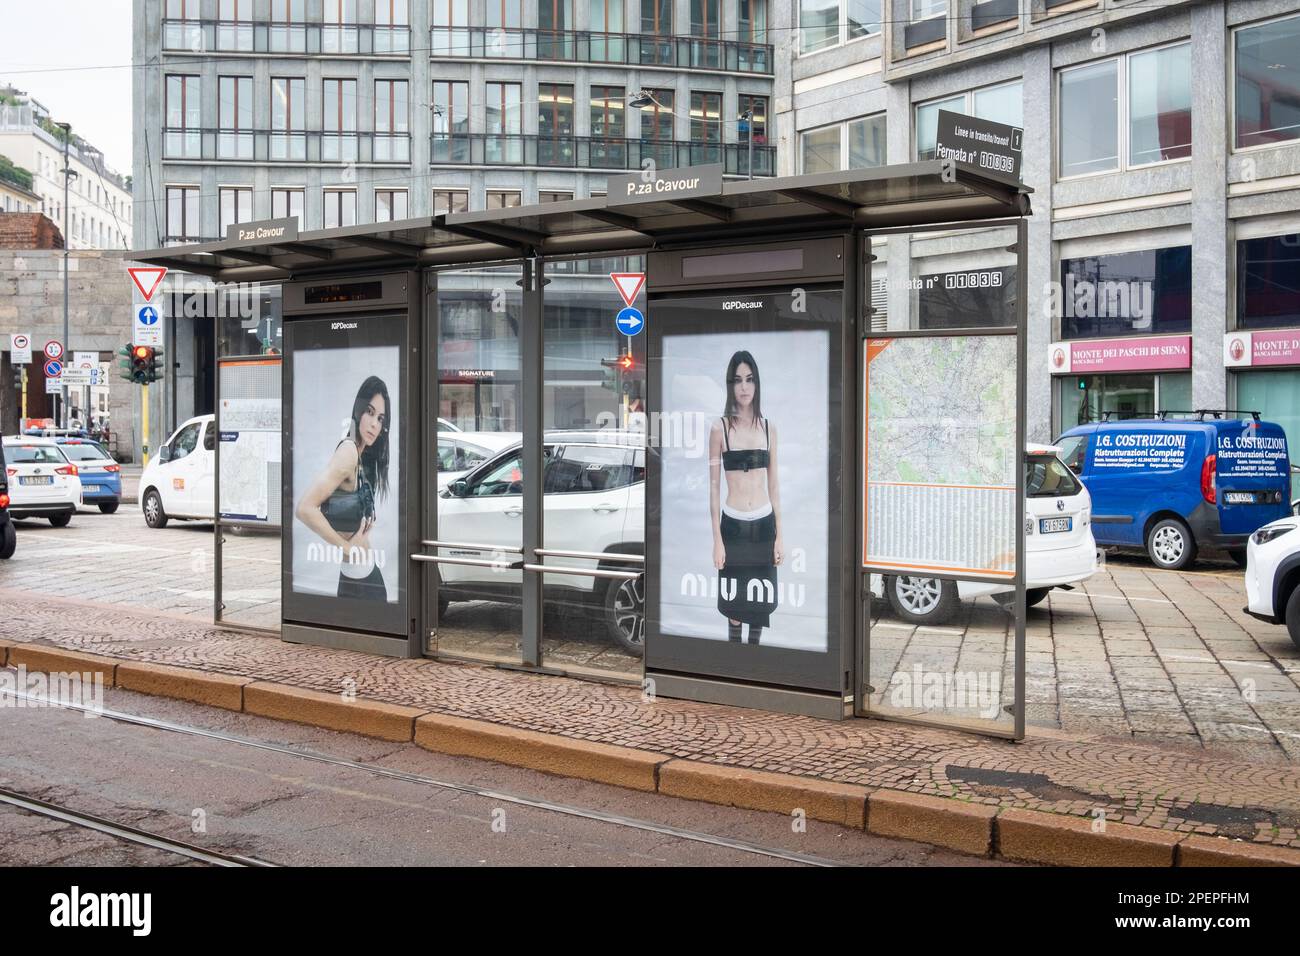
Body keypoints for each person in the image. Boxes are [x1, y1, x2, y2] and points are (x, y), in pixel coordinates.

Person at [295, 376, 392, 601]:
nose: (375, 424)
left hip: (360, 574)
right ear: (358, 411)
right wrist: (347, 549)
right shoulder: (348, 452)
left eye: (380, 418)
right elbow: (305, 508)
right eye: (369, 412)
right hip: (360, 579)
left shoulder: (360, 454)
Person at [709, 350, 783, 645]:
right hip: (734, 526)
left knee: (759, 603)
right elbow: (713, 489)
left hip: (764, 525)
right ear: (730, 385)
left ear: (757, 384)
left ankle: (753, 664)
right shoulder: (719, 428)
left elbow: (774, 485)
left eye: (749, 380)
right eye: (738, 380)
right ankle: (734, 665)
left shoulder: (769, 428)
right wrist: (717, 539)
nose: (744, 387)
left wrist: (779, 536)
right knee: (734, 606)